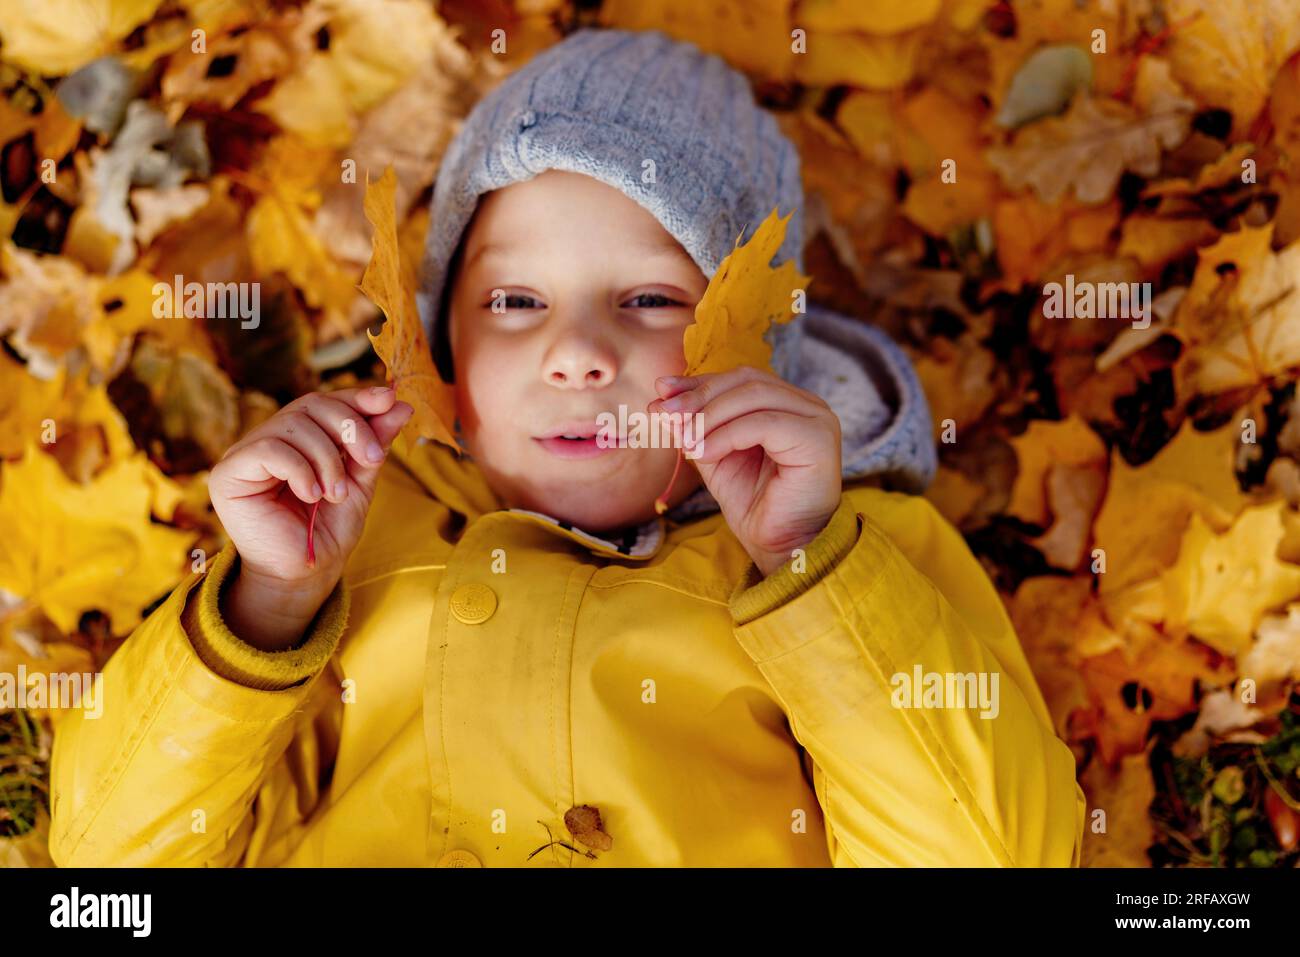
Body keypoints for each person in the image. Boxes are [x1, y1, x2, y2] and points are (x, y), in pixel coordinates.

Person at [49, 28, 1085, 867]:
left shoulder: (860, 551)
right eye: (513, 300)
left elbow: (988, 855)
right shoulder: (344, 551)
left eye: (648, 299)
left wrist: (809, 566)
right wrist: (263, 613)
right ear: (439, 338)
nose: (578, 354)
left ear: (753, 342)